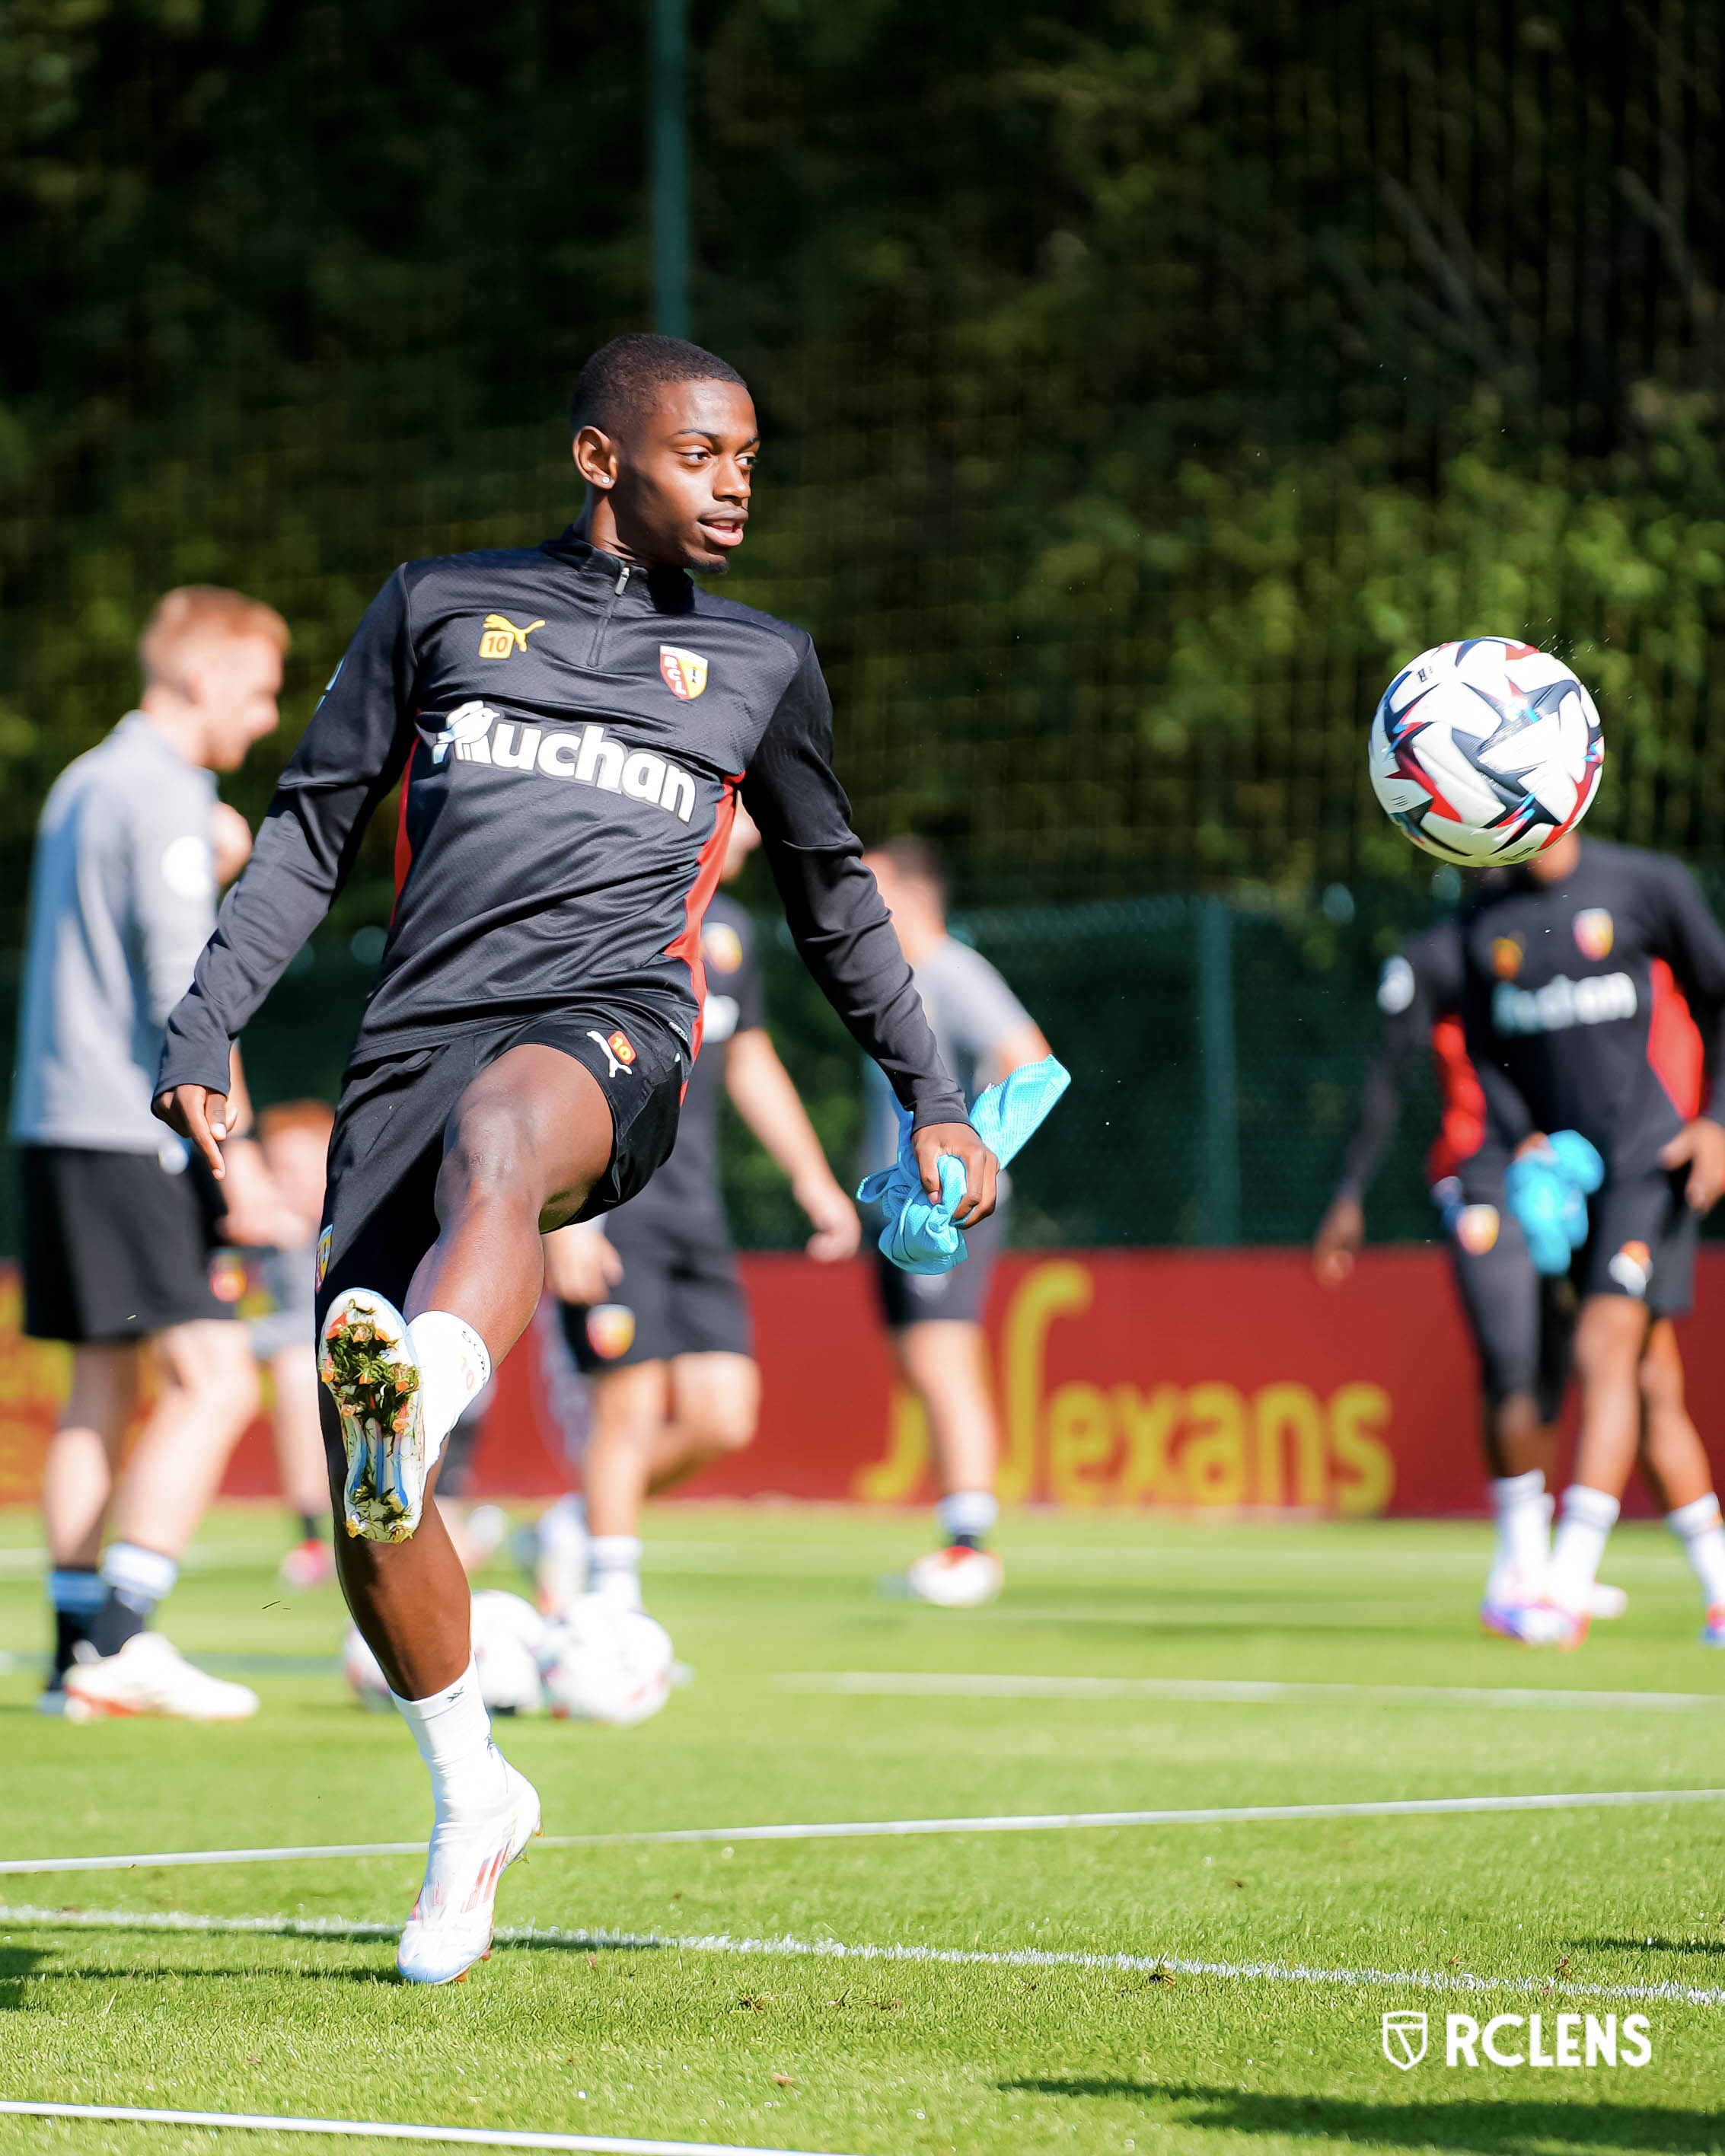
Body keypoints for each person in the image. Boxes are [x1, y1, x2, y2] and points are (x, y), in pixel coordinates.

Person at [153, 333, 996, 1986]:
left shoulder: (759, 666)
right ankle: (473, 1790)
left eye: (752, 456)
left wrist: (935, 1094)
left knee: (503, 1137)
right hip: (409, 1048)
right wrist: (202, 1027)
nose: (737, 482)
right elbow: (311, 832)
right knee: (367, 1524)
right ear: (599, 459)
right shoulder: (437, 608)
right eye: (701, 453)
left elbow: (833, 902)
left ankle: (433, 1389)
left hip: (612, 1038)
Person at [13, 585, 287, 1718]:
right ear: (202, 679)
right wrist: (249, 1148)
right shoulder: (167, 794)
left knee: (99, 1388)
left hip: (53, 1121)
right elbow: (192, 994)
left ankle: (78, 1647)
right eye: (262, 690)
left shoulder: (84, 780)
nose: (267, 717)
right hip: (137, 1129)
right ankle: (123, 1639)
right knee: (216, 1379)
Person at [537, 800, 861, 1622]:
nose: (761, 821)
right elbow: (554, 1057)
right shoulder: (617, 907)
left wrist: (812, 1179)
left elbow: (749, 1058)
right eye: (749, 804)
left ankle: (576, 1525)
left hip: (693, 1213)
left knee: (724, 1416)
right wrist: (567, 1218)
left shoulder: (734, 930)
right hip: (613, 1206)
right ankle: (610, 1606)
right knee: (630, 1412)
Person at [1312, 918, 1625, 1628]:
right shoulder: (1435, 952)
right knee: (1509, 1365)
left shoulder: (1560, 933)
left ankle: (1534, 1565)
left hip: (1566, 1172)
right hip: (1479, 1178)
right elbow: (1389, 1069)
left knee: (1553, 1368)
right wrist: (1349, 1193)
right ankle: (1520, 1568)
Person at [1457, 831, 1725, 1648]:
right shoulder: (1484, 917)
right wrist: (1521, 1136)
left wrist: (1715, 1122)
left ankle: (1563, 1586)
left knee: (1602, 1352)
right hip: (1567, 1187)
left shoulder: (1647, 881)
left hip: (1652, 1162)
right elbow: (1483, 1054)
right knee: (1649, 1388)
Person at [858, 837, 1051, 1608]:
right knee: (920, 1365)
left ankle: (970, 1549)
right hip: (900, 1211)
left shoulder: (951, 972)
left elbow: (1028, 1060)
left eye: (872, 891)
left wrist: (972, 1162)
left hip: (947, 1210)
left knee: (943, 1362)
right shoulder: (892, 984)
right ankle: (957, 1537)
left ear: (913, 895)